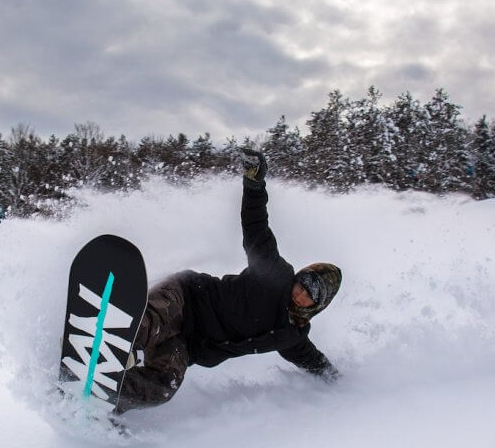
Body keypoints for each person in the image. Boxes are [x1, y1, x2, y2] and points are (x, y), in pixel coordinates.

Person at [114, 148, 342, 413]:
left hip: (187, 343)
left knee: (163, 386)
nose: (301, 294)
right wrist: (255, 185)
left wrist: (343, 384)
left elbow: (312, 361)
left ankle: (105, 396)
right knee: (148, 325)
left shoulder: (292, 335)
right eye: (302, 284)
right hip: (184, 298)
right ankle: (101, 339)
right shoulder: (275, 274)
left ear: (319, 304)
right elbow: (256, 227)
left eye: (311, 294)